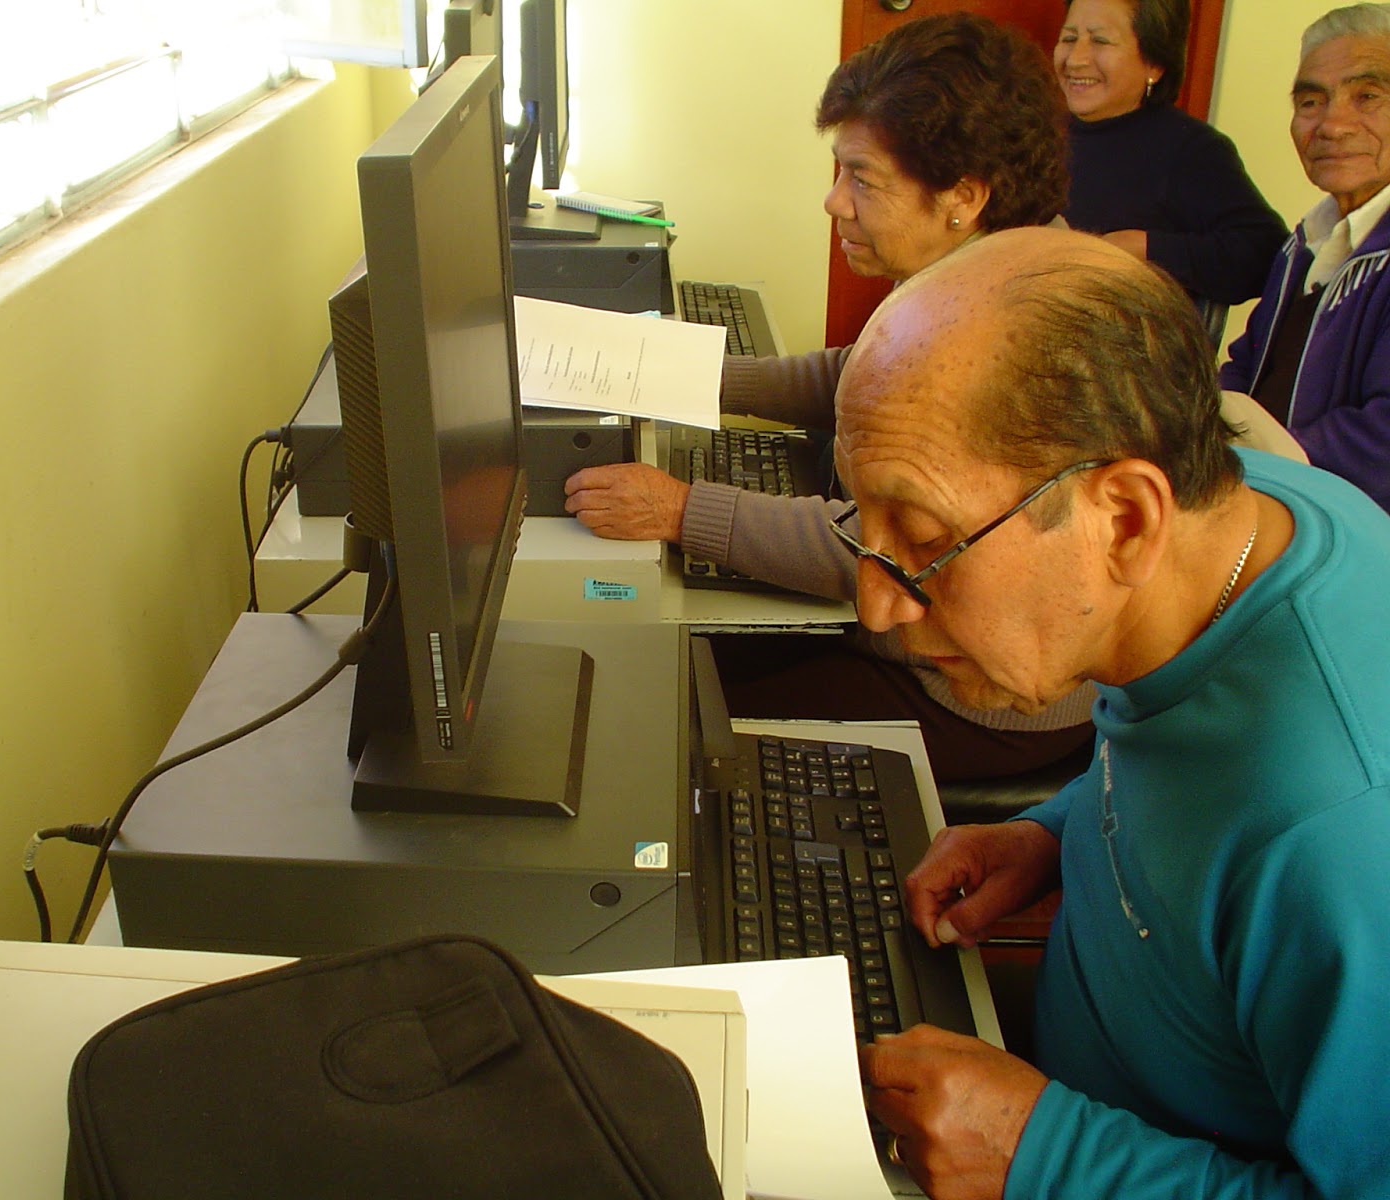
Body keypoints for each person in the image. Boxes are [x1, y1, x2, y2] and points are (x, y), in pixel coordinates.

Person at [843, 225, 1390, 1200]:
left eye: (922, 540)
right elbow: (1179, 767)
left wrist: (1046, 1158)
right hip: (1055, 1064)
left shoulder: (1340, 831)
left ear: (1124, 518)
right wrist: (1052, 834)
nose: (877, 603)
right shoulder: (1238, 509)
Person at [565, 13, 1094, 783]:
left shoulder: (1022, 334)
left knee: (658, 720)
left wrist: (681, 510)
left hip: (963, 689)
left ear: (965, 195)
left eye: (862, 180)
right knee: (652, 646)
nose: (834, 202)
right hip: (891, 630)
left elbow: (898, 551)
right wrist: (680, 375)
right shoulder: (971, 275)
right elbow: (854, 375)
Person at [1220, 3, 1390, 513]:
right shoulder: (1306, 245)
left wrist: (1249, 463)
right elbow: (1245, 370)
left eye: (1367, 96)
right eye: (1312, 101)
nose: (1332, 125)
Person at [1056, 0, 1285, 311]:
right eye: (1069, 38)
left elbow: (1264, 252)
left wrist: (1145, 248)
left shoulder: (1189, 150)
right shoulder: (1033, 131)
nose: (1076, 59)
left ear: (1154, 64)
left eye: (1100, 41)